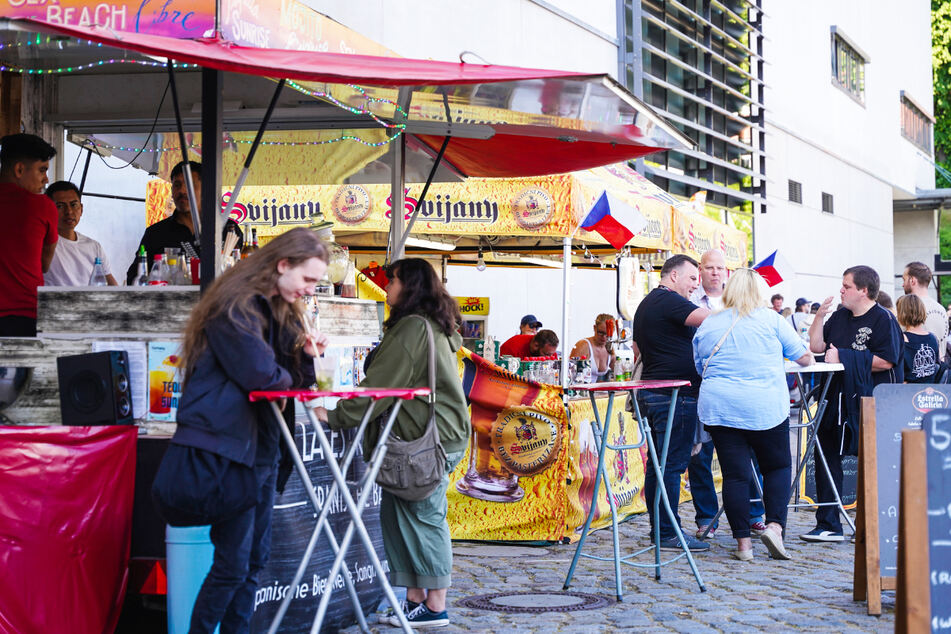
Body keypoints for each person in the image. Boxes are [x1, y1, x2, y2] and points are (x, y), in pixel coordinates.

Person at [172, 227, 329, 633]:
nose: (310, 290)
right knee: (233, 565)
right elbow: (263, 377)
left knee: (253, 562)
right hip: (230, 449)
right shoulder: (236, 306)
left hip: (261, 447)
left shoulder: (277, 308)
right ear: (283, 264)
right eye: (308, 279)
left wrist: (305, 355)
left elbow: (291, 382)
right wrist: (288, 372)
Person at [316, 258, 470, 628]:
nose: (387, 287)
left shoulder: (413, 327)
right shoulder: (429, 323)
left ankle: (435, 605)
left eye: (393, 280)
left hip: (427, 439)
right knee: (400, 514)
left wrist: (335, 415)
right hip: (428, 436)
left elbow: (380, 387)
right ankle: (415, 600)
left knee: (424, 516)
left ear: (411, 286)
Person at [693, 268, 814, 561]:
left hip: (721, 407)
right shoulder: (772, 320)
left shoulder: (709, 323)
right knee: (777, 467)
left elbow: (699, 365)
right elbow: (803, 357)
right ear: (760, 292)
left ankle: (743, 546)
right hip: (764, 405)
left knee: (735, 476)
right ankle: (774, 526)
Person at [804, 265, 903, 542]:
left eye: (846, 286)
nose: (841, 290)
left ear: (863, 290)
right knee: (825, 457)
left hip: (869, 403)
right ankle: (828, 523)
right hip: (834, 399)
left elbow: (888, 360)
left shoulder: (883, 320)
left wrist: (844, 357)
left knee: (872, 462)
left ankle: (872, 525)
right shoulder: (839, 317)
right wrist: (819, 317)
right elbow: (817, 347)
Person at [631, 254, 711, 551]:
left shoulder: (648, 303)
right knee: (671, 467)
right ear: (673, 275)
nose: (695, 285)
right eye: (692, 278)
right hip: (673, 396)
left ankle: (661, 530)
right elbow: (711, 320)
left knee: (660, 466)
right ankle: (667, 532)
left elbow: (636, 348)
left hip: (657, 392)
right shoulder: (668, 300)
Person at [687, 249, 767, 540]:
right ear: (700, 270)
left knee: (750, 455)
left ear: (727, 272)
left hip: (741, 390)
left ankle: (754, 514)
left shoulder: (740, 301)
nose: (715, 272)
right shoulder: (688, 301)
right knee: (700, 457)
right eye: (709, 267)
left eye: (720, 268)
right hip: (701, 387)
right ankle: (707, 518)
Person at [126, 160, 243, 284]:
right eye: (177, 185)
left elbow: (247, 275)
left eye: (189, 185)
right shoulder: (156, 233)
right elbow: (134, 279)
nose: (182, 191)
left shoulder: (228, 229)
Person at [0, 133, 58, 336]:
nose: (46, 179)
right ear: (19, 169)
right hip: (24, 314)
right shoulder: (43, 206)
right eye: (42, 170)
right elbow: (44, 264)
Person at [43, 181, 118, 286]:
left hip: (89, 297)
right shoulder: (42, 244)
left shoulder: (94, 247)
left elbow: (112, 285)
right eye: (60, 206)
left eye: (74, 205)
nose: (69, 211)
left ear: (81, 209)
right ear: (47, 210)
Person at [902, 261, 949, 361]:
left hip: (915, 368)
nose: (902, 284)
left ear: (912, 280)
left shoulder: (907, 309)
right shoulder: (941, 309)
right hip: (939, 368)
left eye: (904, 279)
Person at [896, 294, 940, 383]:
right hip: (931, 390)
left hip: (909, 390)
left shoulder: (901, 339)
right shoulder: (933, 338)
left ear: (902, 314)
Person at [569, 313, 615, 381]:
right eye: (600, 333)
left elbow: (618, 371)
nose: (604, 337)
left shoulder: (609, 348)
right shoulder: (583, 346)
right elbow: (570, 374)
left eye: (607, 334)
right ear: (594, 328)